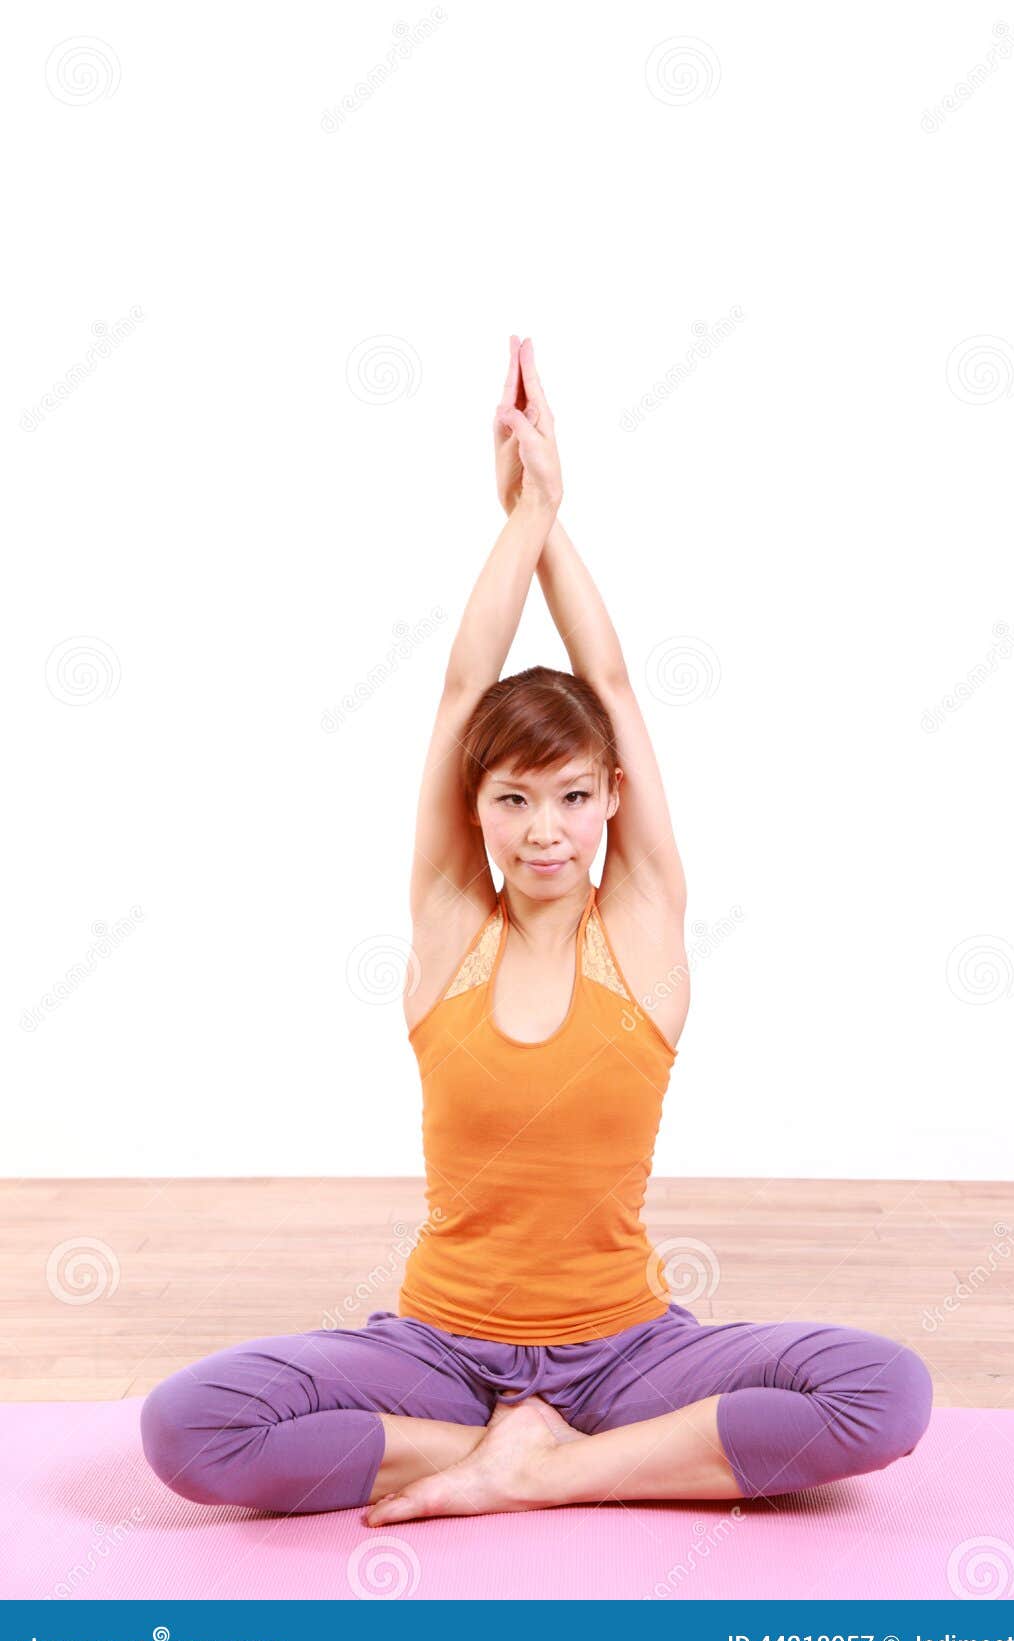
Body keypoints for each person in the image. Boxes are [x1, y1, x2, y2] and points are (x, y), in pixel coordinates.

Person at [140, 338, 932, 1525]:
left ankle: (548, 1465)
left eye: (570, 796)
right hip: (437, 1351)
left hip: (625, 1355)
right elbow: (460, 694)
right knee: (186, 1425)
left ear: (611, 795)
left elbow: (610, 679)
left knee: (884, 1392)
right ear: (478, 811)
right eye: (512, 799)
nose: (544, 829)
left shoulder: (645, 929)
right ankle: (496, 1444)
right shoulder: (449, 926)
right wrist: (518, 518)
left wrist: (547, 506)